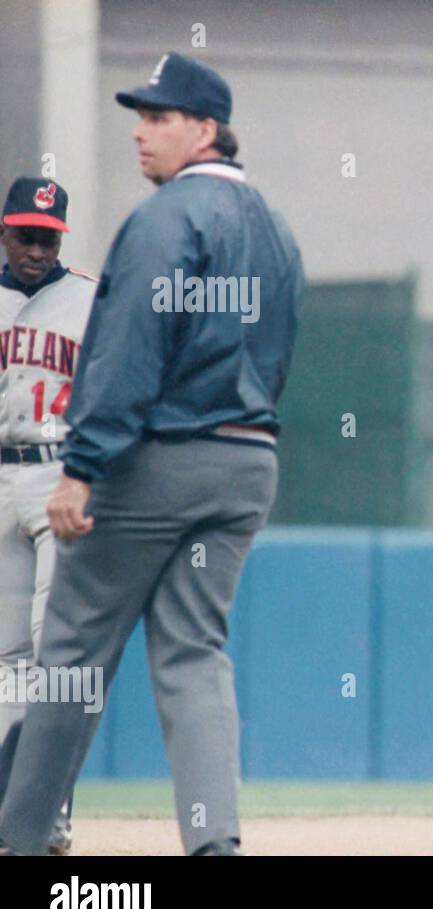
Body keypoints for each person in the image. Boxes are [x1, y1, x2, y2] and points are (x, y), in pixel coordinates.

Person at [0, 51, 303, 856]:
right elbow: (277, 355)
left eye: (158, 117)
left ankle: (21, 840)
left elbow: (125, 352)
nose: (141, 133)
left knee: (69, 652)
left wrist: (86, 465)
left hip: (158, 461)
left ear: (207, 130)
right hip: (248, 462)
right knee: (192, 654)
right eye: (139, 116)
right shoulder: (275, 228)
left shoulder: (165, 219)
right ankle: (214, 845)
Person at [0, 176, 97, 854]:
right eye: (24, 234)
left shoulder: (89, 299)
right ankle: (16, 817)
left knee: (52, 653)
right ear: (4, 232)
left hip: (61, 473)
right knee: (6, 661)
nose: (36, 247)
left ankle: (48, 813)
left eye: (47, 237)